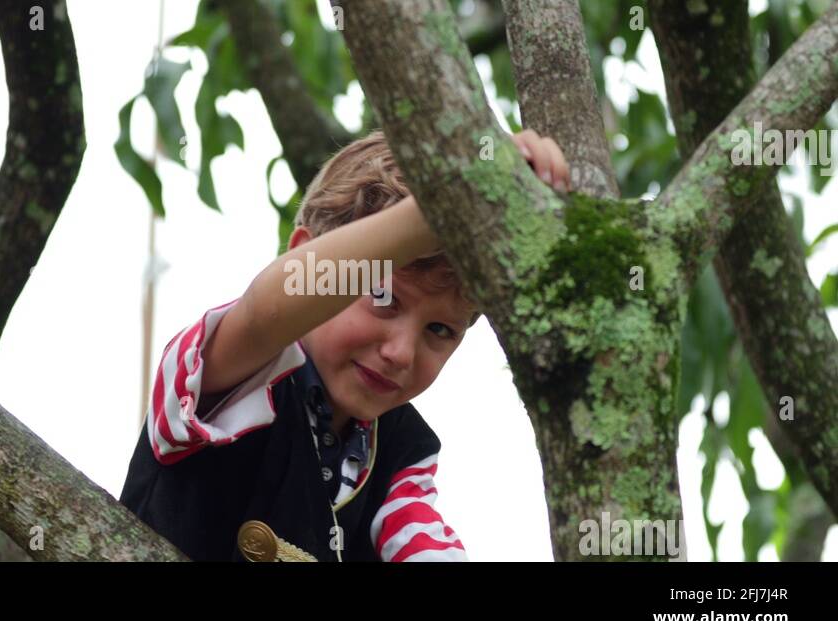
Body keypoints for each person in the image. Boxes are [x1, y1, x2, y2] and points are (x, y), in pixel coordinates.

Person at [118, 128, 570, 561]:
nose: (400, 352)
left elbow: (425, 548)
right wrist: (444, 204)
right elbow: (267, 310)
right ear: (303, 257)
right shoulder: (231, 370)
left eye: (439, 330)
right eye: (382, 295)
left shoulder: (403, 456)